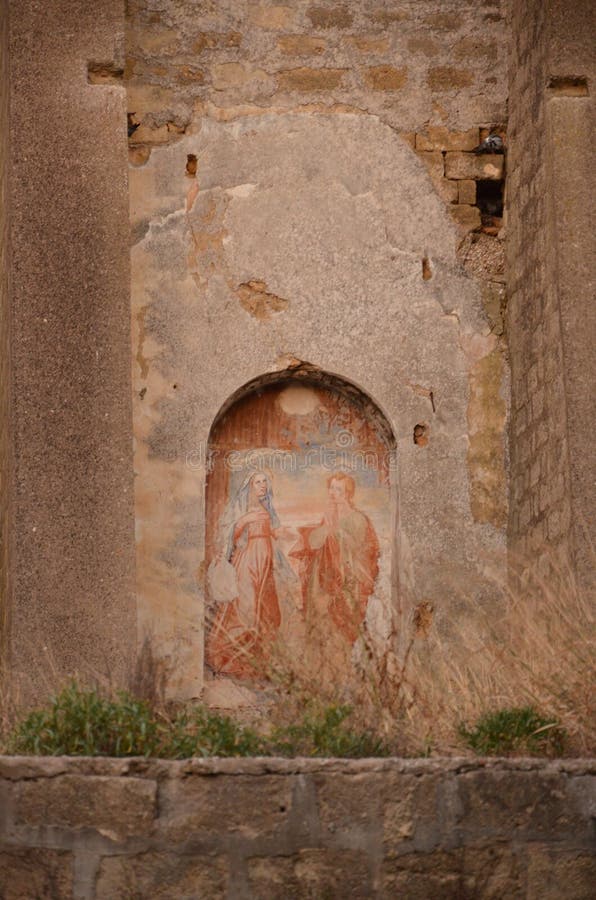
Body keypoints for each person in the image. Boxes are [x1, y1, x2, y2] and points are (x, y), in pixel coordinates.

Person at [206, 471, 290, 679]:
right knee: (246, 609)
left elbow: (273, 532)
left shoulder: (266, 508)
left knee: (264, 609)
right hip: (248, 561)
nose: (262, 485)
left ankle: (254, 661)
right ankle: (230, 658)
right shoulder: (242, 508)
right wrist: (243, 521)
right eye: (258, 482)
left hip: (265, 563)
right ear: (250, 486)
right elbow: (230, 535)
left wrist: (284, 533)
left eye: (264, 482)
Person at [293, 473, 379, 652]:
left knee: (343, 621)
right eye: (331, 488)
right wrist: (324, 530)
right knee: (321, 619)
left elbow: (359, 549)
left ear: (347, 493)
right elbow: (315, 542)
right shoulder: (328, 516)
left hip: (346, 577)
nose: (332, 493)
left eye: (338, 489)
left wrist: (334, 532)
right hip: (322, 576)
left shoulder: (358, 518)